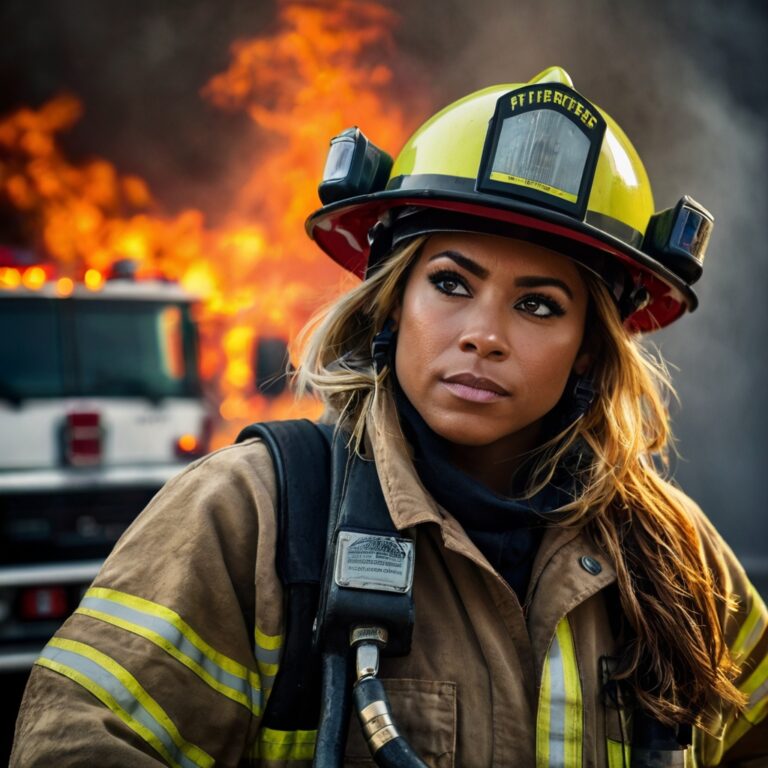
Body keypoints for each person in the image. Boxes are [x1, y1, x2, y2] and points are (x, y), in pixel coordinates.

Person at [10, 66, 768, 767]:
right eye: (449, 282)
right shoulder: (255, 517)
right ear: (391, 304)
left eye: (539, 304)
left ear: (589, 352)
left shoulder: (676, 558)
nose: (484, 333)